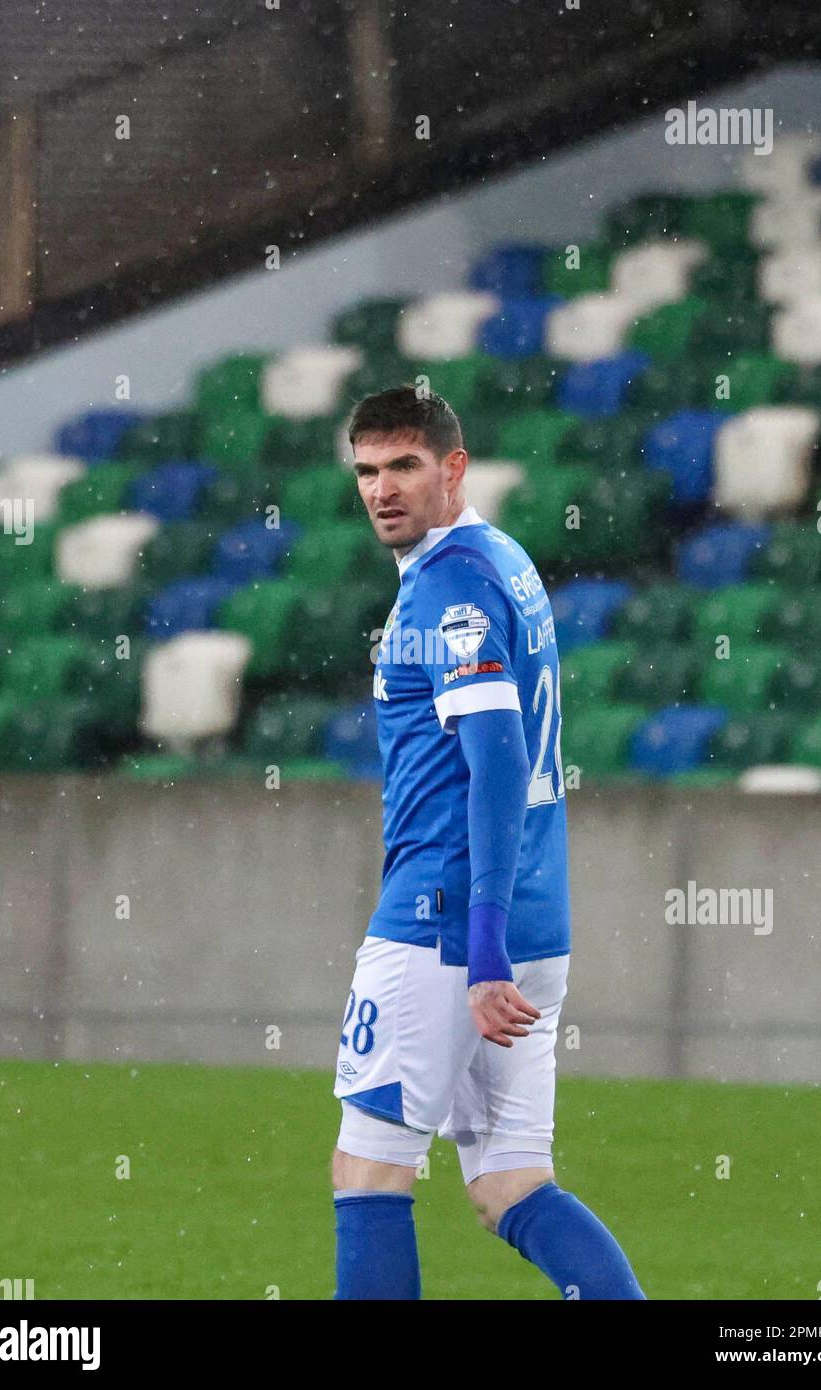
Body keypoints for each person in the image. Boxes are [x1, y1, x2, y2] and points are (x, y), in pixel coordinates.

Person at [331, 385, 645, 1301]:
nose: (381, 490)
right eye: (366, 472)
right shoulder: (499, 557)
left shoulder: (451, 585)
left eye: (403, 466)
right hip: (531, 920)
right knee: (510, 1183)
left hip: (449, 921)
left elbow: (499, 760)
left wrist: (480, 942)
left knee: (371, 1172)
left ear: (452, 466)